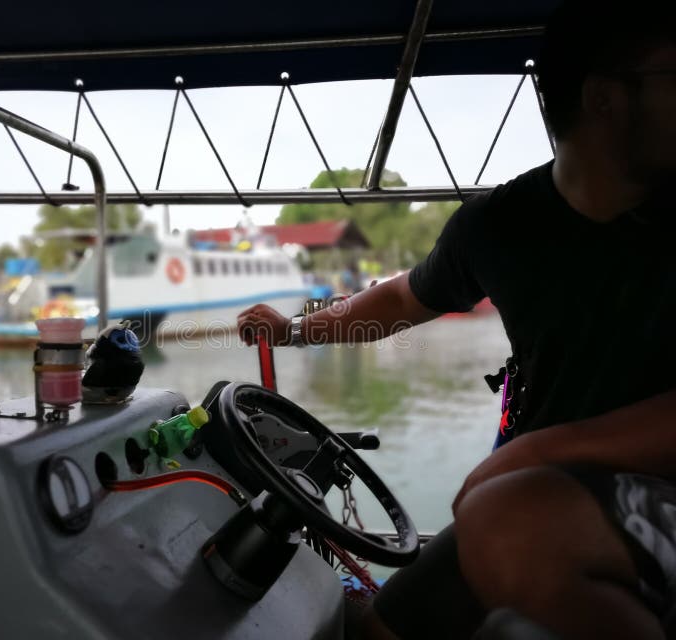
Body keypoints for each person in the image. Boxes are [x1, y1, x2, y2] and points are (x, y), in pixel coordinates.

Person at [236, 1, 676, 638]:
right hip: (537, 490)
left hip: (596, 489)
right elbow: (394, 302)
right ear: (605, 99)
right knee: (373, 632)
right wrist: (294, 329)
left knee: (506, 526)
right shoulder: (498, 226)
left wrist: (534, 450)